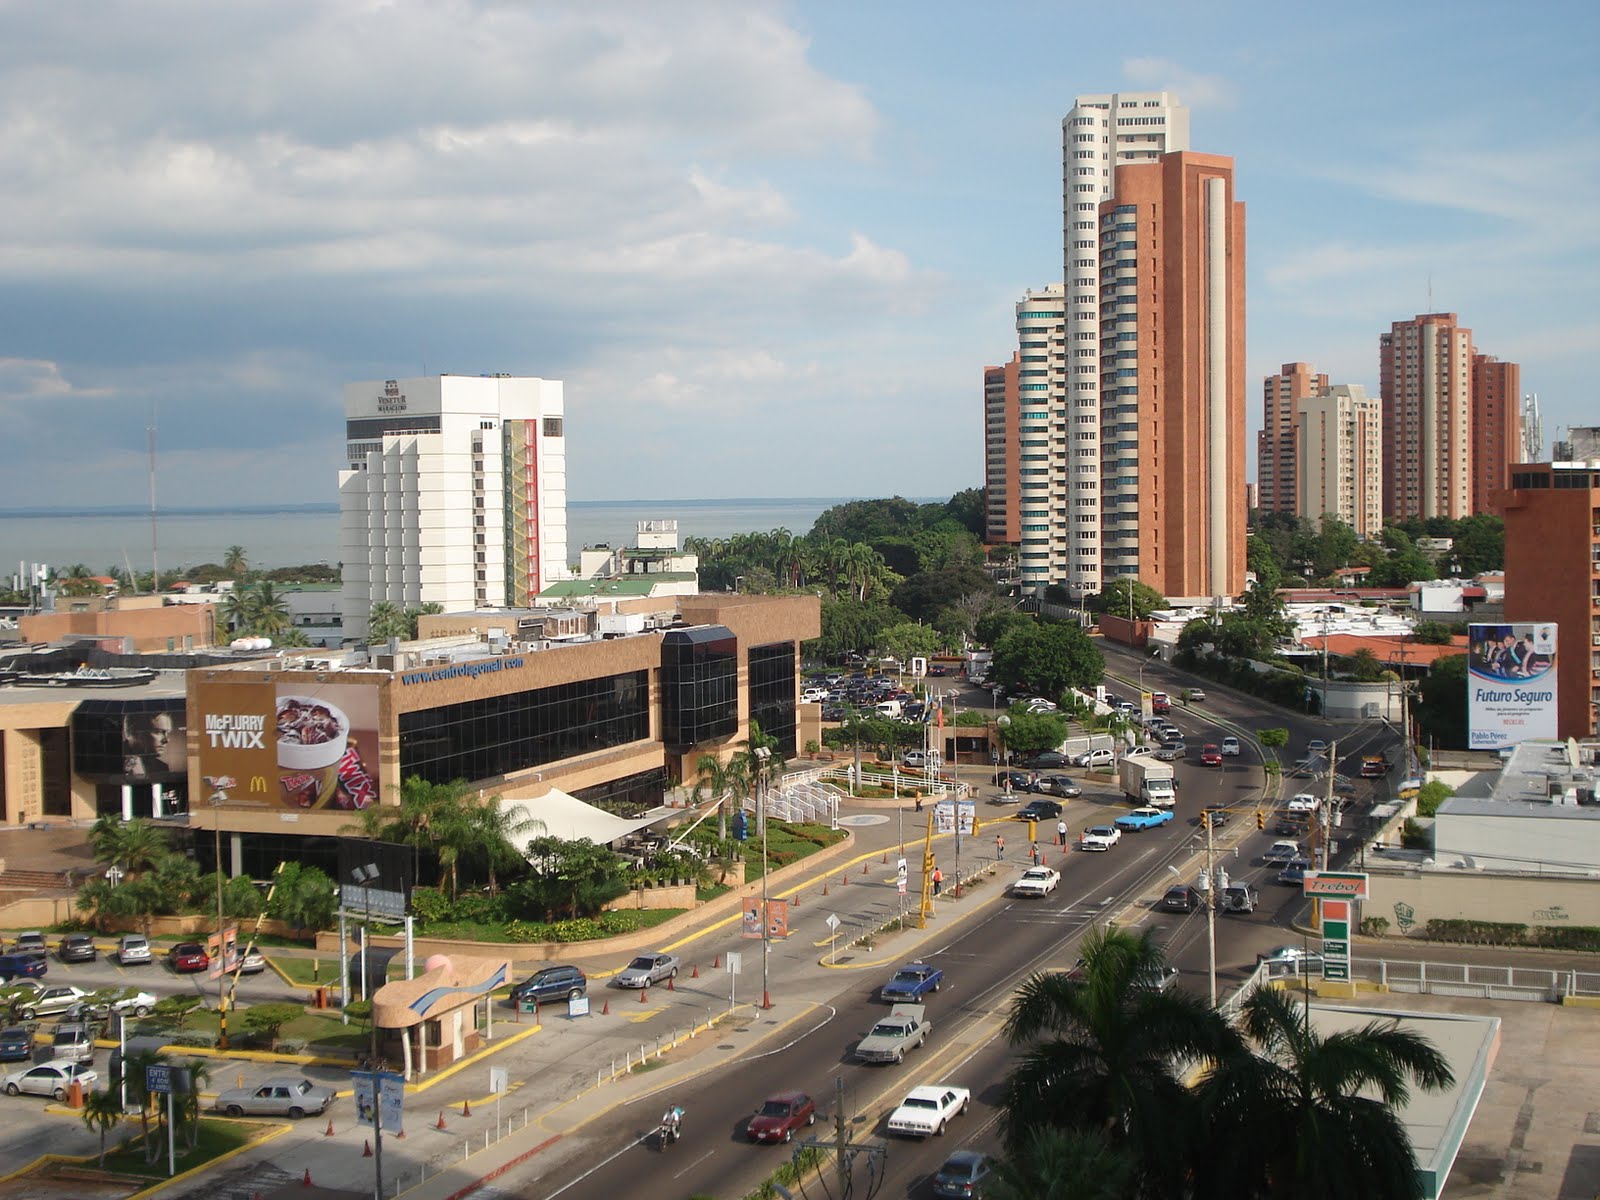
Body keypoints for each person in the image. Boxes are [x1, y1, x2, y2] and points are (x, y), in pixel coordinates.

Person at [123, 712, 176, 777]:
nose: (166, 740)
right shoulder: (110, 761)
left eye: (167, 733)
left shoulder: (162, 768)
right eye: (158, 732)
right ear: (133, 732)